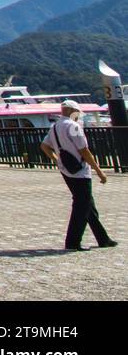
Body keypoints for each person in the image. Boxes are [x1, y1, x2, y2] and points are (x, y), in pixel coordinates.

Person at [41, 100, 118, 251]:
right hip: (80, 171)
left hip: (66, 170)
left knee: (88, 204)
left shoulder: (55, 126)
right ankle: (72, 242)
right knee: (81, 206)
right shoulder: (73, 126)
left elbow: (44, 146)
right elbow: (84, 151)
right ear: (72, 111)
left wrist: (57, 160)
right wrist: (99, 171)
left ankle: (103, 238)